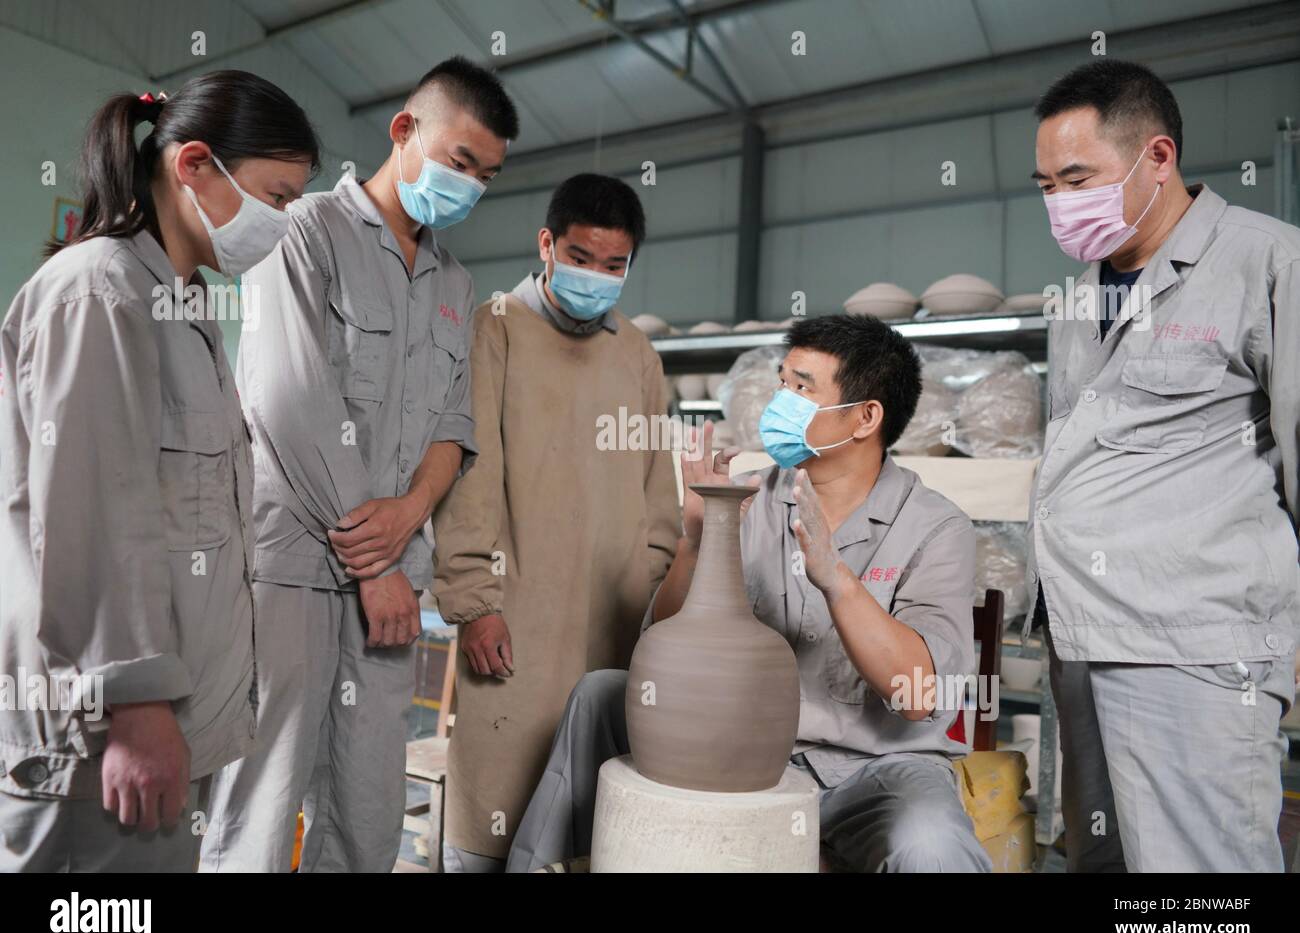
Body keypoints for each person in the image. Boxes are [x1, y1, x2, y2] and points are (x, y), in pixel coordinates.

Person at [506, 314, 991, 873]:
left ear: (865, 417)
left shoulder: (934, 527)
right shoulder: (749, 498)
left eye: (802, 387)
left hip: (872, 766)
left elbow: (921, 697)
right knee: (600, 694)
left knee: (932, 845)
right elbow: (656, 653)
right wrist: (695, 540)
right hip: (743, 744)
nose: (780, 400)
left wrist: (836, 579)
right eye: (781, 382)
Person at [199, 56, 517, 873]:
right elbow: (291, 398)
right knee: (262, 806)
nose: (471, 185)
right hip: (295, 571)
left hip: (392, 588)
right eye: (460, 161)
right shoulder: (300, 229)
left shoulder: (456, 280)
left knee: (366, 809)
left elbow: (455, 424)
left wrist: (408, 519)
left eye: (486, 174)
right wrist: (371, 556)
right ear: (404, 131)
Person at [0, 72, 319, 871]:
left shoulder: (183, 305)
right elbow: (95, 516)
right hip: (101, 742)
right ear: (195, 165)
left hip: (161, 729)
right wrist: (138, 706)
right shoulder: (98, 293)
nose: (282, 224)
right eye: (276, 197)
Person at [1028, 59, 1299, 872]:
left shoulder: (1266, 262)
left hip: (1191, 645)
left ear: (1157, 157)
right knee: (1103, 864)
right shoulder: (1078, 299)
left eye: (1078, 178)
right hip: (1081, 635)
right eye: (1044, 184)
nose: (1058, 203)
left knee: (1196, 884)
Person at [432, 173, 679, 872]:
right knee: (494, 816)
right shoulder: (494, 330)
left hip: (614, 629)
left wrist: (650, 600)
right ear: (546, 243)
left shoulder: (637, 354)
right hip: (513, 623)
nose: (596, 277)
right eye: (579, 257)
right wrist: (474, 603)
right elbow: (468, 480)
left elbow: (660, 490)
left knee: (591, 831)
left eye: (614, 266)